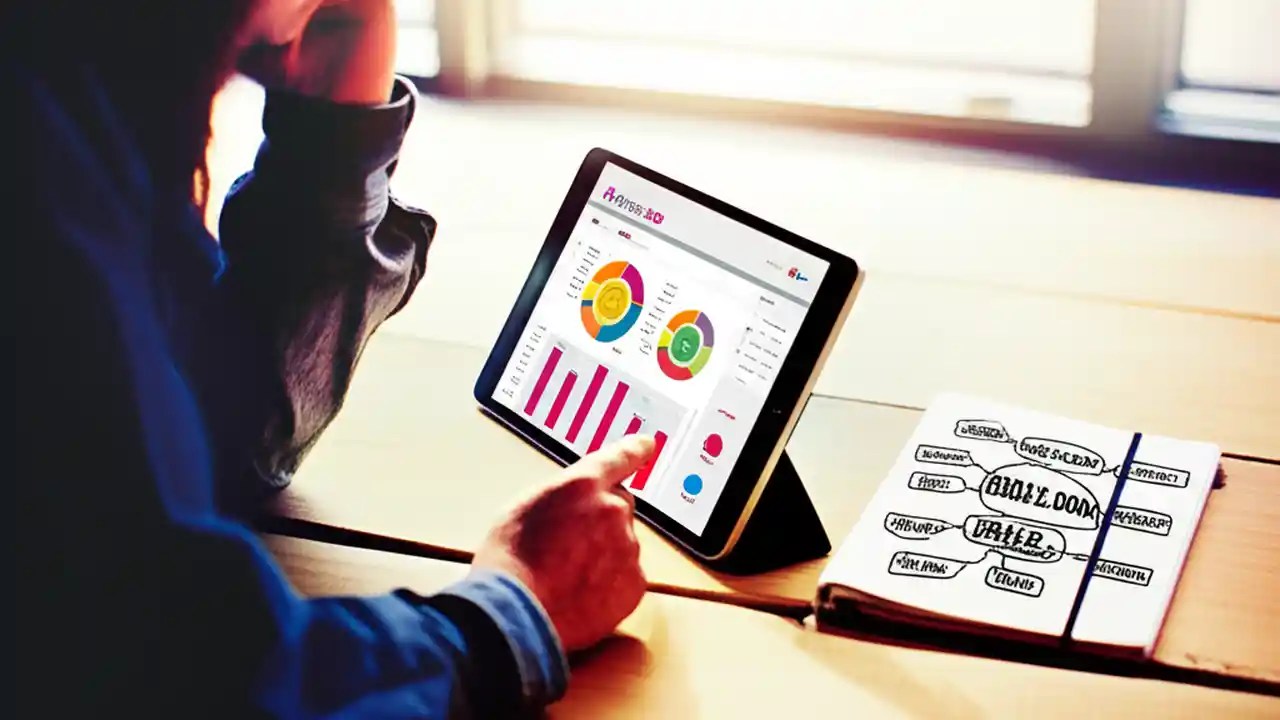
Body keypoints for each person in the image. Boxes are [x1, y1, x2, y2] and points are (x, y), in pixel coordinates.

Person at [11, 0, 654, 716]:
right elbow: (174, 674)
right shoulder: (35, 162)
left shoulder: (88, 90)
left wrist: (334, 135)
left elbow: (218, 439)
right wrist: (509, 615)